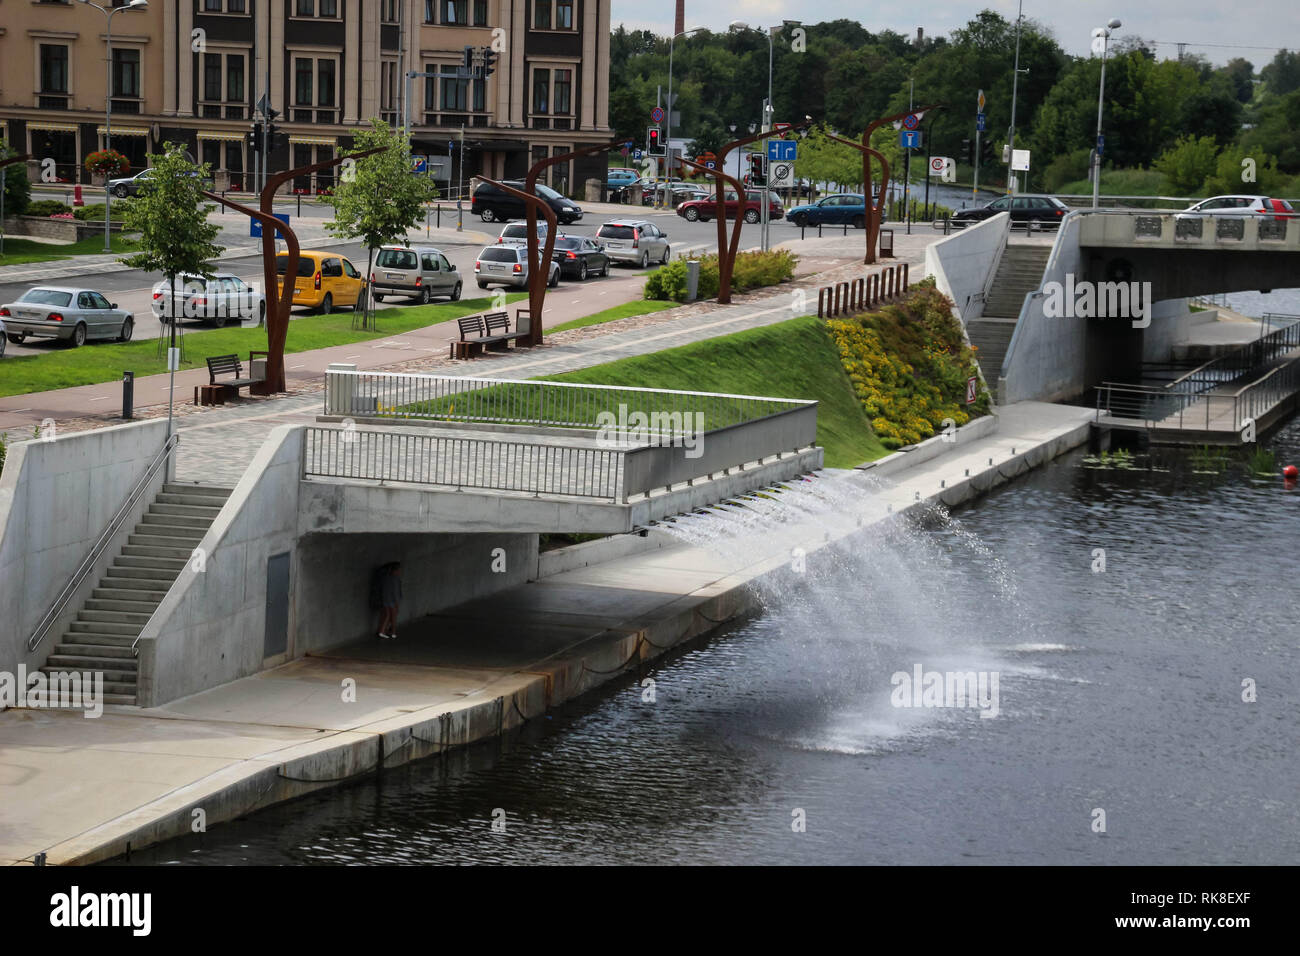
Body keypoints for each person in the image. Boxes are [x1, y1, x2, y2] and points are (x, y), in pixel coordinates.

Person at [377, 562, 402, 640]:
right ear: (396, 571)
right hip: (392, 601)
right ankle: (393, 632)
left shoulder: (385, 578)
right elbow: (395, 592)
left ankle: (383, 631)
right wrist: (397, 603)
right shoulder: (395, 579)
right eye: (399, 570)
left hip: (385, 599)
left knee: (387, 615)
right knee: (393, 617)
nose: (400, 572)